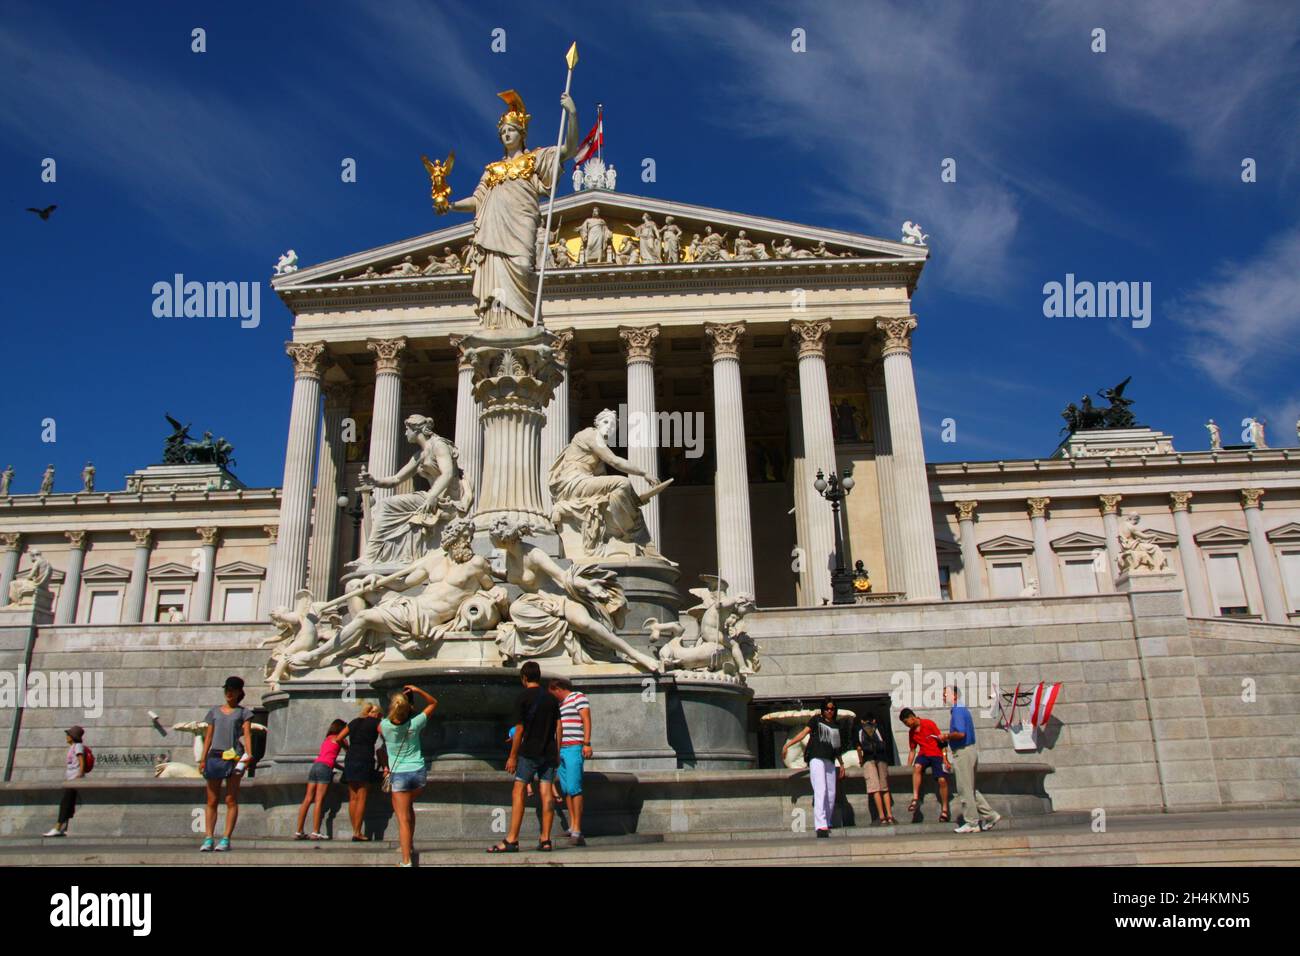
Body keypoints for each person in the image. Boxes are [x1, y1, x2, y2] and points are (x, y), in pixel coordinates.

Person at [490, 661, 561, 853]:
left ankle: (512, 839)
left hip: (529, 752)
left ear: (524, 678)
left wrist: (512, 756)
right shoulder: (551, 699)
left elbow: (519, 729)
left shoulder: (522, 698)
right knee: (546, 793)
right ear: (539, 676)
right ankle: (545, 839)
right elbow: (558, 726)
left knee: (518, 791)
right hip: (548, 752)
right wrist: (557, 751)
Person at [380, 685, 437, 867]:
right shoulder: (416, 722)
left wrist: (400, 704)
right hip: (418, 774)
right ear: (408, 709)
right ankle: (409, 845)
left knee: (402, 818)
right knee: (409, 808)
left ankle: (406, 861)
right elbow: (434, 702)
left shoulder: (384, 726)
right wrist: (417, 690)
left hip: (400, 775)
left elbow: (386, 720)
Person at [199, 676, 255, 852]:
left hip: (233, 757)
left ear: (239, 692)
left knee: (230, 799)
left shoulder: (243, 713)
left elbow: (247, 734)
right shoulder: (214, 712)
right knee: (212, 799)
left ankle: (225, 838)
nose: (229, 693)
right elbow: (208, 736)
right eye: (226, 690)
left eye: (232, 690)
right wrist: (202, 758)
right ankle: (208, 837)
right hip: (215, 756)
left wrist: (249, 755)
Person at [781, 699, 846, 838]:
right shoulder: (816, 720)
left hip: (830, 759)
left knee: (831, 793)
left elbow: (837, 747)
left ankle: (827, 821)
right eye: (827, 708)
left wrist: (841, 764)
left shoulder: (836, 725)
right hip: (816, 758)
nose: (830, 711)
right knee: (820, 790)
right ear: (823, 709)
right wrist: (788, 745)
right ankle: (820, 825)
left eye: (832, 709)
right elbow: (803, 733)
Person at [942, 686, 1001, 833]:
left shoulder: (957, 710)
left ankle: (972, 823)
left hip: (962, 752)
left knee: (964, 789)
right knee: (971, 789)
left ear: (954, 695)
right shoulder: (963, 710)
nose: (943, 698)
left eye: (945, 695)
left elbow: (960, 733)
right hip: (969, 751)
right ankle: (990, 815)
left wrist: (946, 736)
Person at [549, 677, 592, 847]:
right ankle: (572, 826)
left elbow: (586, 719)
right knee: (567, 789)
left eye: (551, 693)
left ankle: (577, 830)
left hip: (575, 746)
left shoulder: (577, 697)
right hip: (562, 749)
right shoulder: (561, 704)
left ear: (557, 688)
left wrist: (587, 743)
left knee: (575, 788)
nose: (551, 696)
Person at [294, 718, 348, 840]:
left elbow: (328, 757)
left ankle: (299, 830)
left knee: (307, 798)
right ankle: (315, 831)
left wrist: (340, 767)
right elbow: (348, 751)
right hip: (325, 768)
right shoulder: (341, 739)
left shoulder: (327, 739)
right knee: (319, 800)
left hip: (316, 765)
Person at [340, 703, 387, 841]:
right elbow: (386, 736)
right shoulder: (375, 722)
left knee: (353, 797)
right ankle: (357, 832)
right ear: (377, 714)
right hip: (364, 758)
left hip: (351, 758)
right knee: (362, 796)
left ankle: (355, 830)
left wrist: (347, 748)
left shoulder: (354, 722)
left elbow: (338, 738)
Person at [900, 707, 950, 823]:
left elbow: (942, 743)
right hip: (924, 755)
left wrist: (945, 759)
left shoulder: (929, 724)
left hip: (936, 755)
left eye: (906, 722)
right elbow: (912, 750)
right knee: (917, 767)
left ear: (912, 717)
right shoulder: (911, 733)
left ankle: (945, 809)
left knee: (942, 780)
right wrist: (908, 766)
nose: (907, 725)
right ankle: (915, 798)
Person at [43, 725, 89, 837]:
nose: (66, 737)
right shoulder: (73, 746)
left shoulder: (78, 746)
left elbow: (81, 761)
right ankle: (66, 828)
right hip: (71, 779)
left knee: (65, 803)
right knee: (70, 804)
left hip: (74, 780)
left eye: (68, 735)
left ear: (72, 736)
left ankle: (58, 827)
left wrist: (79, 775)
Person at [855, 715, 895, 825]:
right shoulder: (879, 728)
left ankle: (881, 817)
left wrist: (861, 761)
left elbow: (859, 748)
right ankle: (890, 816)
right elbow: (885, 742)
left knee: (875, 788)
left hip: (868, 759)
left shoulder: (860, 730)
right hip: (881, 759)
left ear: (862, 721)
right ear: (874, 720)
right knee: (885, 788)